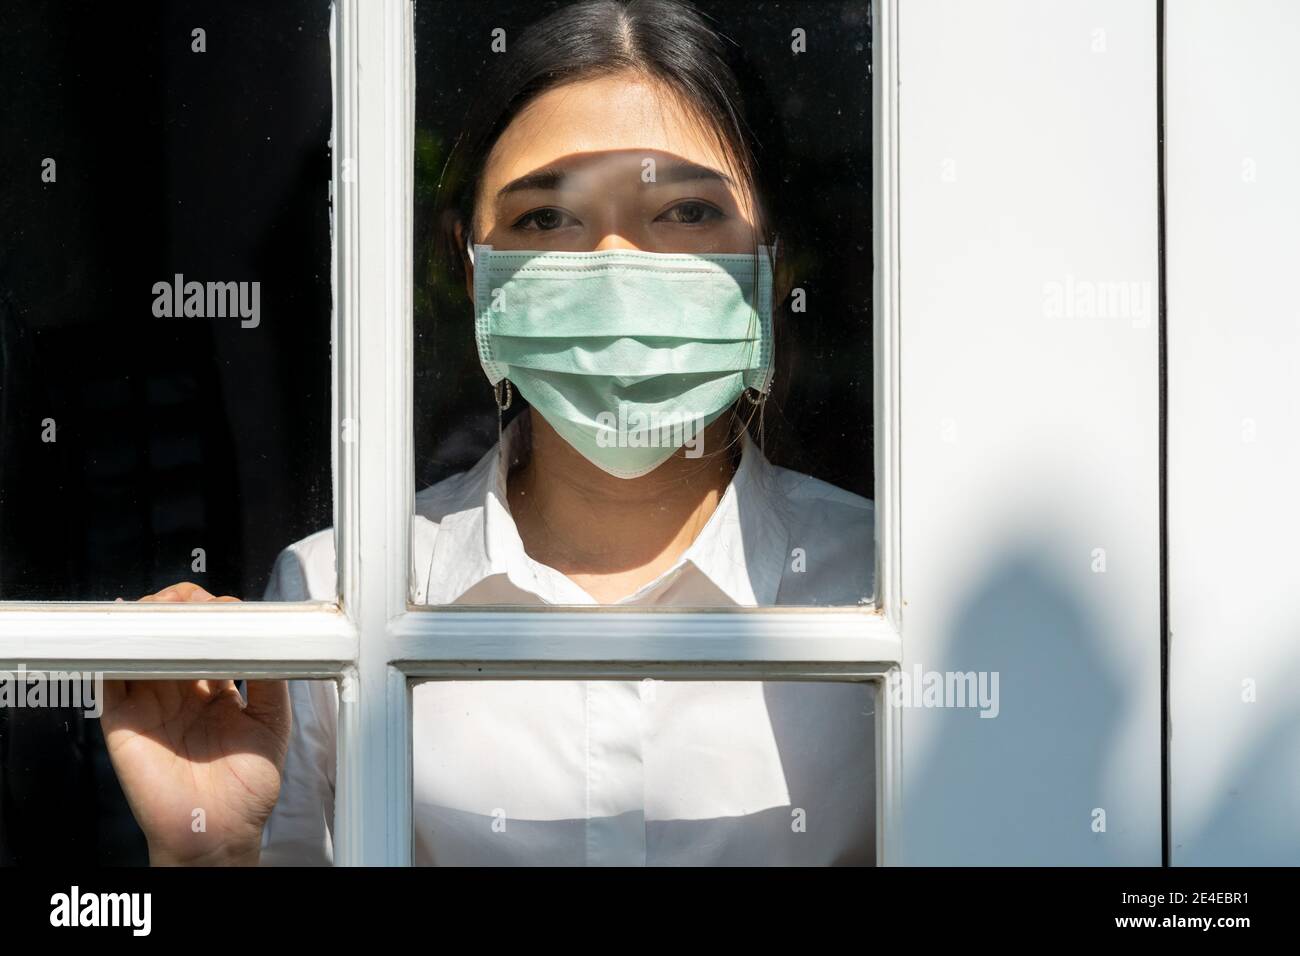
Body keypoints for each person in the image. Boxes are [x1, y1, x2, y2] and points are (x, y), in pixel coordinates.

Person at [102, 0, 875, 866]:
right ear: (471, 270)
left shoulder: (888, 586)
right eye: (546, 219)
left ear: (776, 259)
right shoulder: (336, 593)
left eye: (687, 211)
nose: (615, 266)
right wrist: (205, 851)